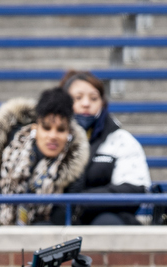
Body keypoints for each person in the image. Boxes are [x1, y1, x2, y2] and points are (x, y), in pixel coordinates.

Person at [0, 87, 88, 226]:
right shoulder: (11, 141)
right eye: (47, 128)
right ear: (35, 128)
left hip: (43, 236)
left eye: (61, 130)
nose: (53, 136)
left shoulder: (74, 165)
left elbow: (61, 219)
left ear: (69, 133)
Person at [62, 70, 151, 225]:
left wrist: (80, 202)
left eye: (93, 98)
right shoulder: (51, 138)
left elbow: (133, 190)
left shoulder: (121, 139)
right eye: (78, 98)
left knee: (107, 222)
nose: (86, 103)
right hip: (59, 220)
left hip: (107, 220)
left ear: (102, 102)